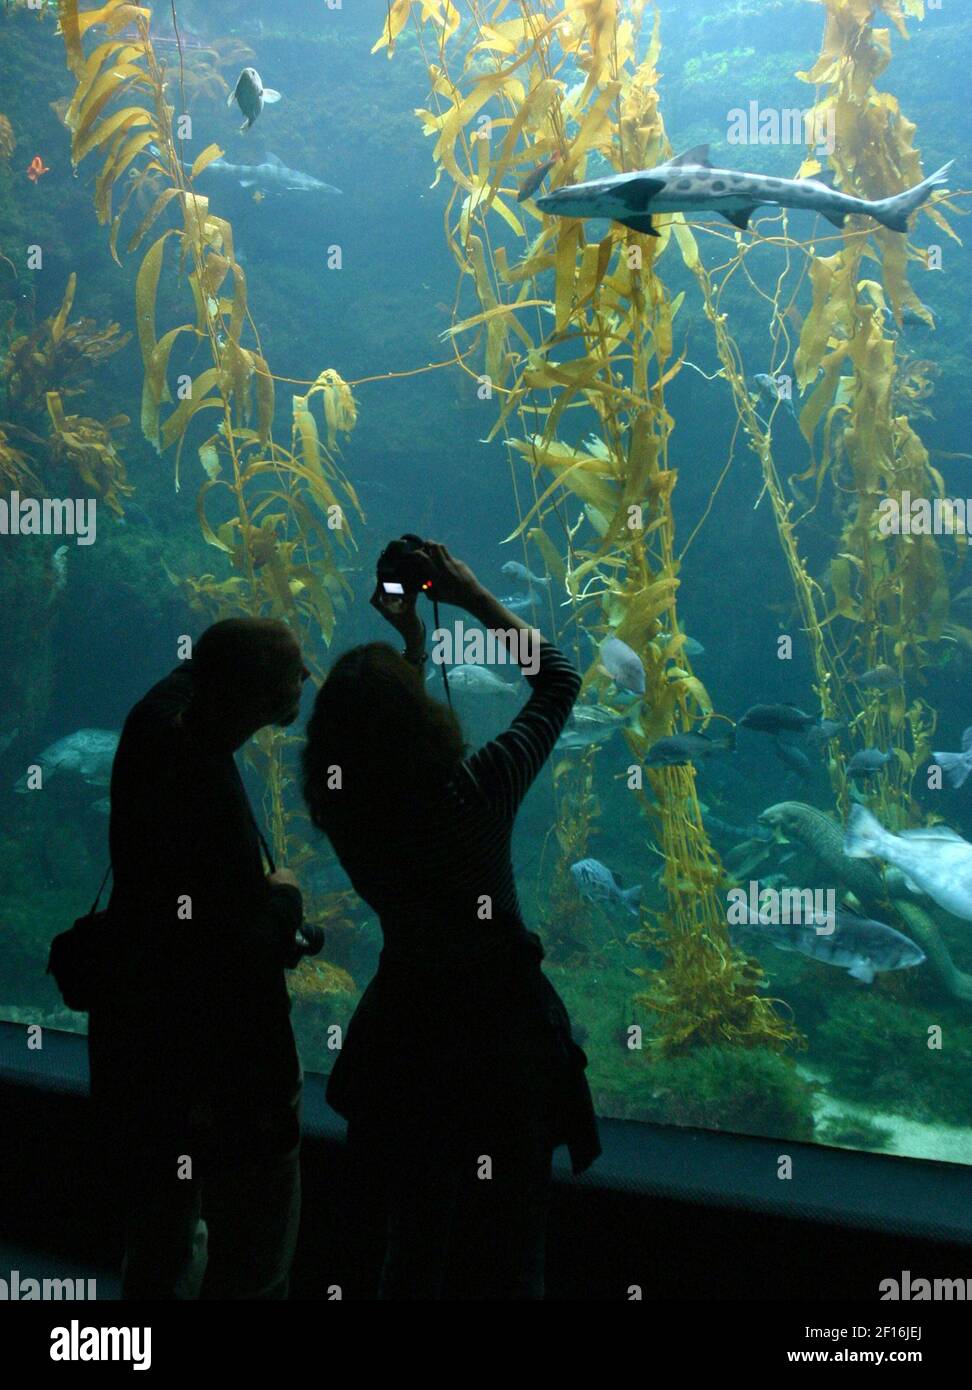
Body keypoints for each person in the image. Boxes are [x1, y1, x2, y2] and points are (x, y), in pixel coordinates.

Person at [302, 542, 600, 1299]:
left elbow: (372, 740)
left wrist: (408, 641)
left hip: (404, 1030)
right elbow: (559, 681)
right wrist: (470, 596)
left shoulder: (344, 810)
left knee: (413, 1239)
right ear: (425, 720)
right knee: (512, 1245)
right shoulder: (477, 790)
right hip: (500, 1039)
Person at [88, 618, 312, 1299]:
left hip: (137, 1047)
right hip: (227, 1061)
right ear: (257, 702)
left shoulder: (157, 715)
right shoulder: (198, 773)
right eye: (288, 687)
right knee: (254, 1253)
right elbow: (227, 938)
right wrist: (284, 903)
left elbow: (216, 664)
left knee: (157, 1238)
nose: (298, 692)